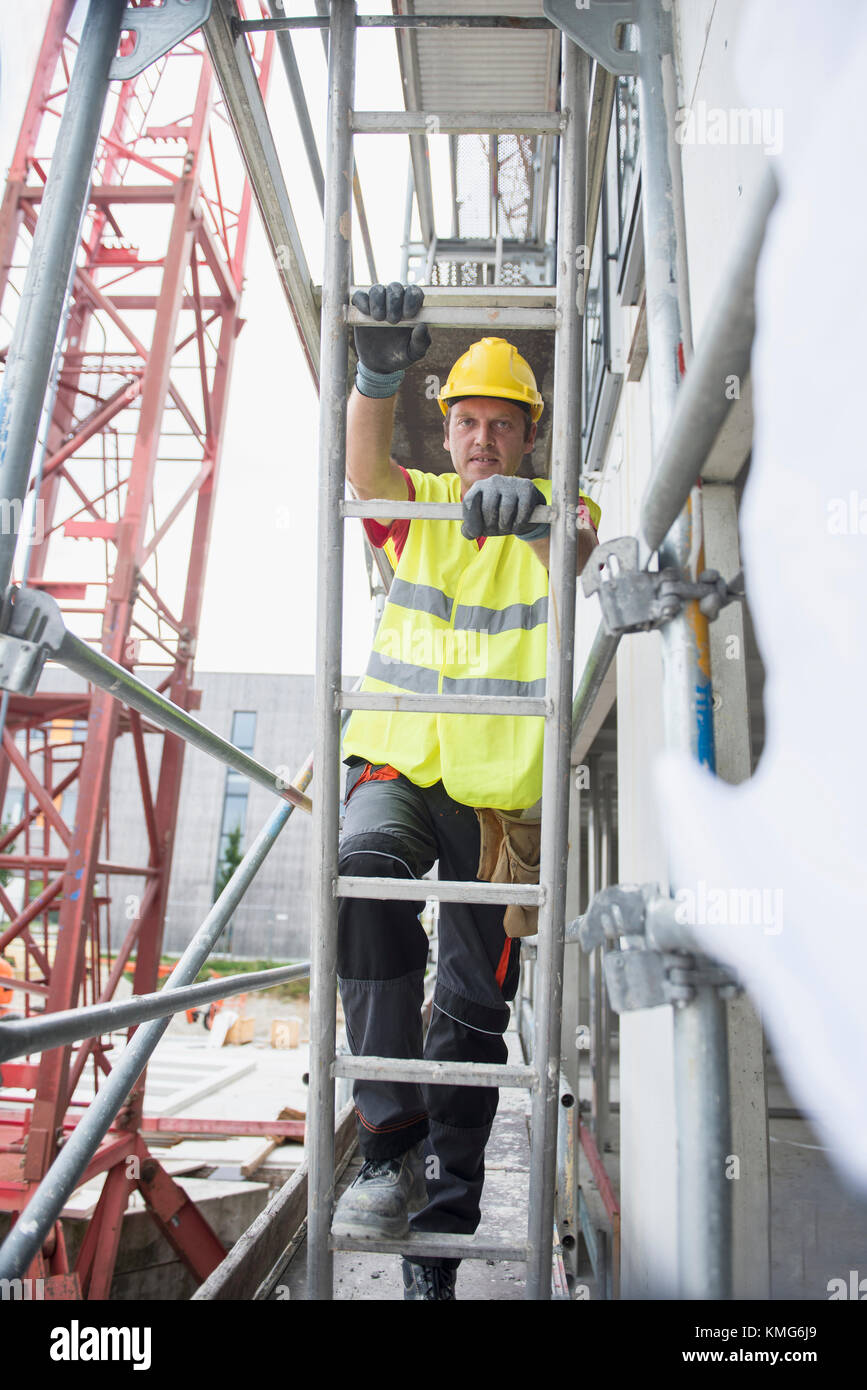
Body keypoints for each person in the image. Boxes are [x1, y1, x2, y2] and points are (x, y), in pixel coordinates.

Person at [332, 281, 600, 1300]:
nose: (484, 439)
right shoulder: (421, 506)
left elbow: (571, 548)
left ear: (528, 438)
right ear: (445, 434)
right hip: (402, 764)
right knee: (361, 877)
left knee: (471, 1022)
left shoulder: (558, 501)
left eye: (503, 425)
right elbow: (362, 468)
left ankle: (436, 1248)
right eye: (469, 423)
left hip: (499, 808)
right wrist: (376, 372)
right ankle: (391, 1139)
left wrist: (533, 518)